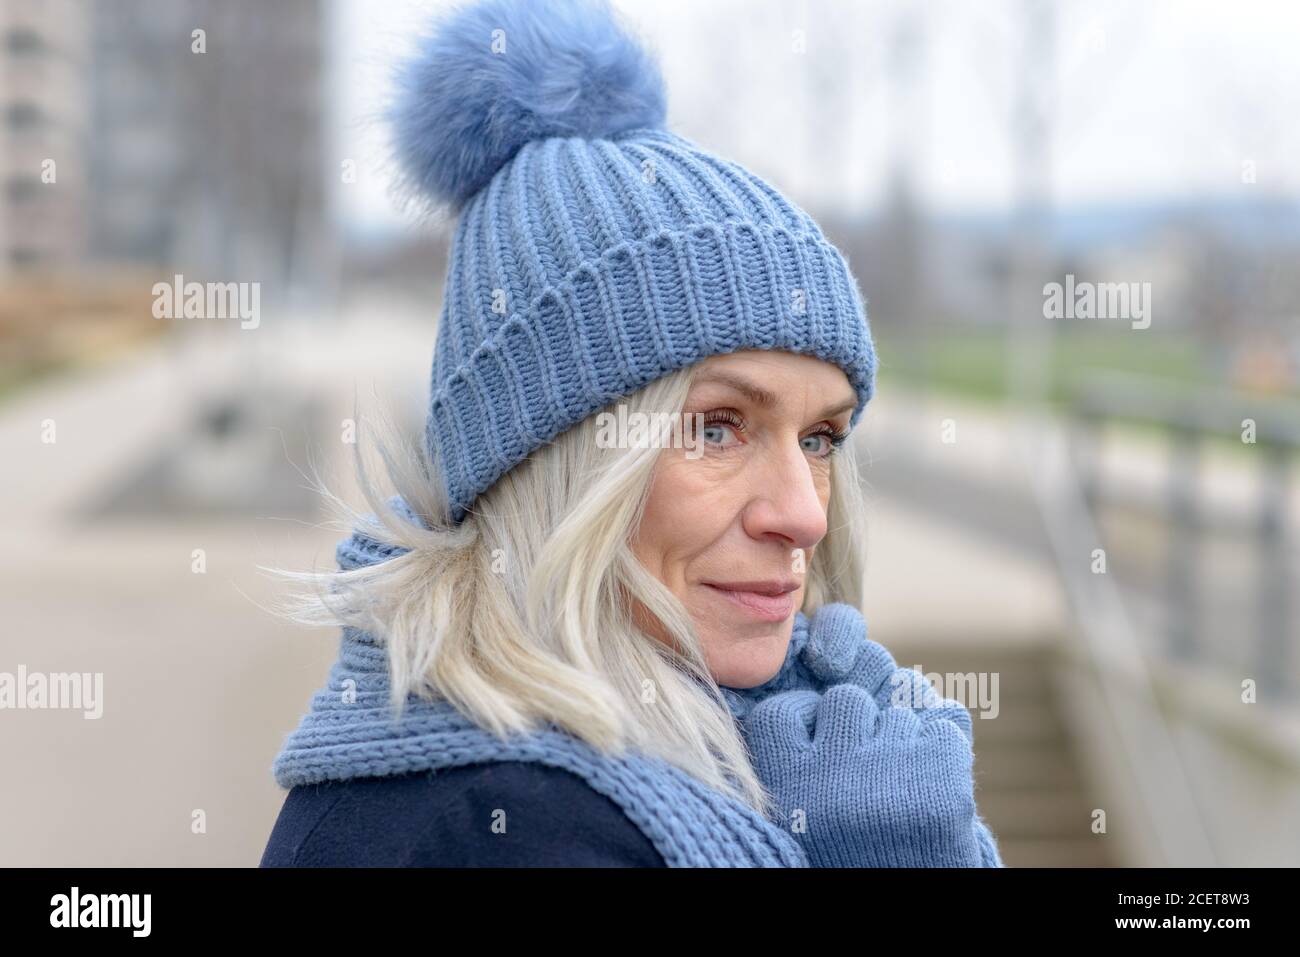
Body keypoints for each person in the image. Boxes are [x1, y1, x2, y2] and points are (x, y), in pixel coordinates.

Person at [260, 0, 1002, 868]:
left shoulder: (699, 752)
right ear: (554, 463)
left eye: (820, 437)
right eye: (719, 428)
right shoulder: (509, 833)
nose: (804, 516)